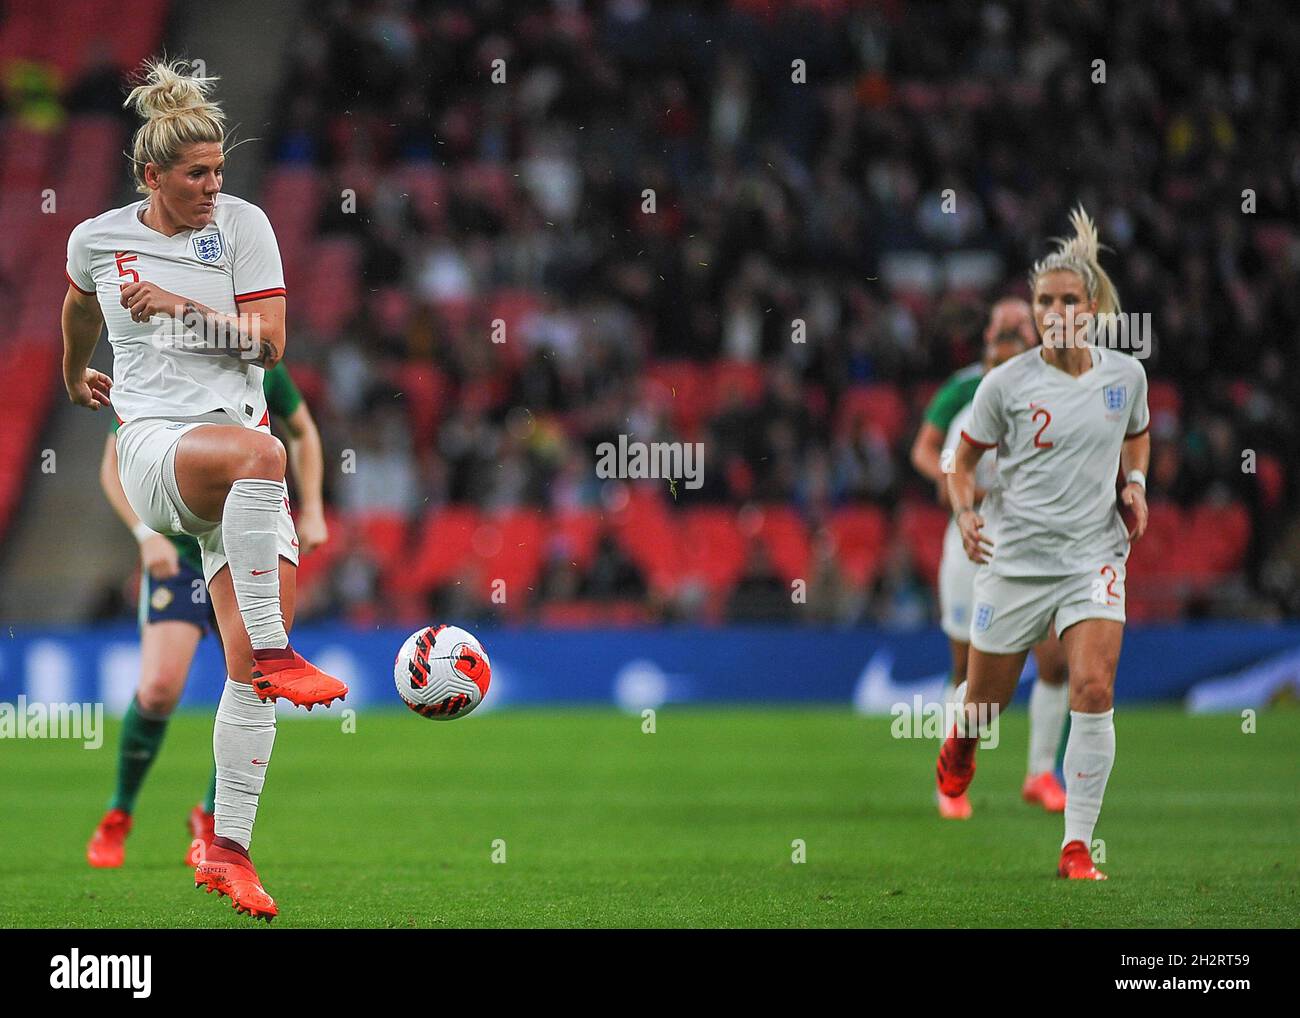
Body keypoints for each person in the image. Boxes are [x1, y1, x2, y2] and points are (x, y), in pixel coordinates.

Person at [62, 58, 347, 920]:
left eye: (220, 170)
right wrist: (77, 375)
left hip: (237, 465)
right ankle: (278, 652)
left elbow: (269, 345)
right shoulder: (97, 238)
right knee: (264, 461)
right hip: (157, 451)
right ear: (153, 175)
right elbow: (76, 307)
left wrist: (179, 307)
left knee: (243, 677)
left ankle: (229, 848)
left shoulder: (247, 228)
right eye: (197, 174)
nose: (213, 187)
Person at [936, 208, 1150, 879]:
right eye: (1044, 301)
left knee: (1091, 686)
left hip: (1093, 556)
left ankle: (1076, 846)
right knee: (986, 703)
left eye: (1067, 300)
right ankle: (962, 746)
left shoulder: (1125, 378)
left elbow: (1138, 431)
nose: (1055, 310)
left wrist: (1136, 483)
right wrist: (967, 512)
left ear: (1090, 308)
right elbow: (961, 462)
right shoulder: (1006, 386)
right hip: (1016, 563)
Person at [86, 363, 328, 870]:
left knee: (251, 680)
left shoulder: (262, 363)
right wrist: (145, 536)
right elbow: (115, 464)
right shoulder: (158, 361)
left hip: (241, 551)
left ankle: (213, 815)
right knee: (158, 690)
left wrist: (312, 510)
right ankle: (119, 813)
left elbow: (302, 430)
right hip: (175, 553)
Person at [911, 299, 1070, 820]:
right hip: (972, 550)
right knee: (966, 672)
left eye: (1021, 330)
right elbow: (941, 470)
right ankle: (950, 780)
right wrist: (967, 498)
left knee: (1056, 660)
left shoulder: (1052, 397)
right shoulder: (966, 400)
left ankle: (1041, 771)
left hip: (1029, 554)